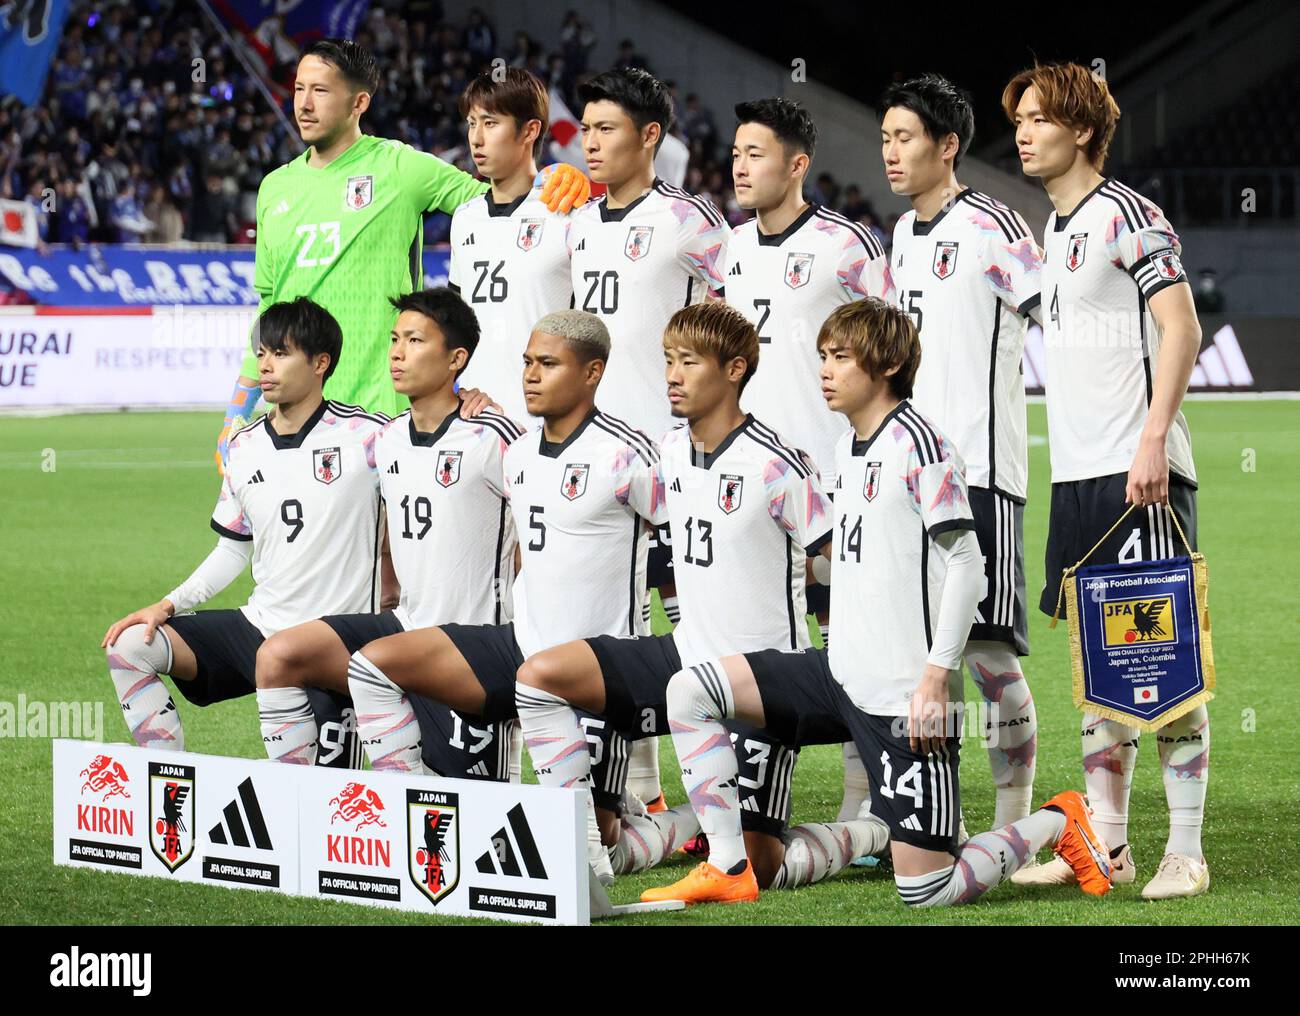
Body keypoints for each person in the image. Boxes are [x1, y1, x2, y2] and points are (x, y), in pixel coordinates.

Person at [645, 298, 1113, 906]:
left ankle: (1060, 819)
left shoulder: (921, 444)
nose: (825, 371)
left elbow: (970, 567)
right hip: (836, 676)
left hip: (903, 698)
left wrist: (935, 678)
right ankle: (730, 866)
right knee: (691, 690)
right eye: (821, 357)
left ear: (887, 363)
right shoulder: (849, 447)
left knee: (928, 891)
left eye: (840, 357)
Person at [516, 301, 883, 892]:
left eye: (689, 361)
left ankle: (878, 831)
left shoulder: (776, 463)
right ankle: (581, 847)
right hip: (682, 656)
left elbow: (840, 559)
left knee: (764, 866)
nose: (672, 375)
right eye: (667, 360)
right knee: (541, 675)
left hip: (759, 680)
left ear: (734, 369)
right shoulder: (666, 451)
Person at [345, 310, 696, 881]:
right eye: (527, 363)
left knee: (594, 855)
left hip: (598, 668)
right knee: (372, 667)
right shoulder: (517, 452)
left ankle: (686, 821)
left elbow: (688, 538)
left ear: (592, 373)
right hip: (519, 650)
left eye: (548, 364)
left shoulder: (625, 452)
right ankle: (411, 804)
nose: (531, 375)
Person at [1003, 62, 1208, 899]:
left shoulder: (1128, 213)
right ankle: (1110, 847)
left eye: (1040, 117)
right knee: (1100, 669)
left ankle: (1186, 851)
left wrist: (1153, 440)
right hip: (1079, 477)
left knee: (1164, 662)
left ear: (1082, 130)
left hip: (1140, 474)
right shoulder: (1051, 233)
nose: (1022, 130)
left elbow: (1183, 326)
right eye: (1017, 117)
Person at [216, 39, 589, 472]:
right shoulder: (274, 188)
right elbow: (269, 302)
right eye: (299, 89)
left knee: (386, 541)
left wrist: (558, 179)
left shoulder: (401, 168)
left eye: (320, 91)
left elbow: (497, 200)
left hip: (378, 413)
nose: (304, 104)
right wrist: (238, 411)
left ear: (359, 102)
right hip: (292, 410)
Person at [101, 298, 387, 768]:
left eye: (281, 353)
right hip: (261, 627)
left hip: (336, 642)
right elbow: (233, 549)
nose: (265, 365)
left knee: (319, 797)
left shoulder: (369, 437)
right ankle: (169, 781)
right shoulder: (243, 445)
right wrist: (168, 604)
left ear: (320, 363)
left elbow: (436, 447)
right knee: (131, 645)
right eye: (262, 353)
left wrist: (474, 401)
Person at [253, 288, 523, 779]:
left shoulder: (492, 436)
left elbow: (539, 528)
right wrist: (247, 437)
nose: (397, 352)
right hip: (404, 627)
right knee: (281, 654)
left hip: (474, 641)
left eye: (415, 340)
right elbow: (311, 457)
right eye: (395, 339)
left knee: (567, 835)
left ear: (455, 359)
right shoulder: (385, 437)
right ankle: (297, 799)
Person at [880, 73, 1041, 828]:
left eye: (904, 137)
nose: (890, 151)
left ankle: (1015, 827)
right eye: (883, 137)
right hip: (909, 478)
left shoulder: (993, 228)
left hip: (978, 470)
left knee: (986, 654)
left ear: (948, 147)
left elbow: (1052, 316)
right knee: (922, 652)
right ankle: (933, 818)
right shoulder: (900, 234)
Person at [567, 66, 730, 808]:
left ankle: (732, 789)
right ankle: (645, 793)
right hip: (595, 466)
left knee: (695, 624)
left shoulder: (689, 222)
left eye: (606, 129)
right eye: (586, 128)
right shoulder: (575, 224)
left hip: (674, 463)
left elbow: (743, 315)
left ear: (650, 136)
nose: (590, 143)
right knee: (616, 632)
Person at [448, 68, 574, 422]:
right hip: (475, 416)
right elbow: (458, 326)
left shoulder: (567, 212)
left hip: (547, 421)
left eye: (490, 123)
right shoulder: (465, 218)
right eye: (472, 123)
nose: (476, 138)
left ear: (530, 130)